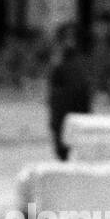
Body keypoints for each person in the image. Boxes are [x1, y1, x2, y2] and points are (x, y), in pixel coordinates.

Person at [46, 22, 92, 161]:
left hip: (78, 107)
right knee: (63, 148)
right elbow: (54, 90)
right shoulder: (58, 61)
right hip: (62, 109)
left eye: (73, 38)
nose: (70, 42)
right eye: (67, 38)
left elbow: (84, 87)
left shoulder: (82, 60)